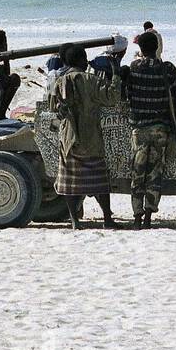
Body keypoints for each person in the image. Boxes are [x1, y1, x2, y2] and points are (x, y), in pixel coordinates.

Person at [118, 31, 176, 227]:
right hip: (160, 129)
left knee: (137, 172)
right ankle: (149, 215)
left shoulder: (133, 67)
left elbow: (125, 92)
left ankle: (136, 216)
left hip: (139, 130)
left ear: (140, 49)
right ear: (157, 47)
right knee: (155, 173)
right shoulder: (167, 69)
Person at [48, 45, 120, 229]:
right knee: (100, 182)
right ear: (83, 60)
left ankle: (74, 220)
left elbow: (52, 108)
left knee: (70, 182)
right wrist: (116, 74)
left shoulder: (59, 82)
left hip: (70, 139)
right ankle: (107, 219)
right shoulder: (93, 81)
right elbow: (112, 98)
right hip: (92, 138)